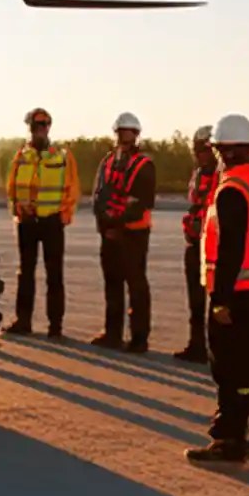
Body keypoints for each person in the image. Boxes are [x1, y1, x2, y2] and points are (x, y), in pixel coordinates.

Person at [185, 113, 249, 466]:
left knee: (229, 370)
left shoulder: (232, 189)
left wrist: (221, 299)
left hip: (237, 292)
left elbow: (231, 249)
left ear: (221, 151)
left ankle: (230, 439)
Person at [4, 107, 81, 338]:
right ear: (30, 128)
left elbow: (73, 188)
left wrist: (64, 215)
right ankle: (23, 320)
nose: (41, 130)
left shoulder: (62, 156)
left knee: (54, 274)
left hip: (52, 223)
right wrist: (17, 210)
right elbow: (12, 188)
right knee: (25, 273)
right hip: (27, 222)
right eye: (37, 126)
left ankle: (55, 326)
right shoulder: (20, 156)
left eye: (45, 126)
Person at [91, 111, 155, 353]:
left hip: (134, 234)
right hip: (109, 233)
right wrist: (105, 226)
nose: (123, 137)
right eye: (120, 132)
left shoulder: (145, 165)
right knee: (112, 284)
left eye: (128, 133)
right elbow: (99, 196)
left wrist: (117, 225)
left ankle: (139, 338)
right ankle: (112, 333)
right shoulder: (107, 162)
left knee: (136, 285)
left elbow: (142, 202)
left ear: (136, 135)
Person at [174, 125, 219, 364]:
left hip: (214, 245)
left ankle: (217, 349)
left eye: (205, 149)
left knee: (217, 302)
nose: (201, 153)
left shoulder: (224, 175)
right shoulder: (198, 173)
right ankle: (197, 344)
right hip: (195, 242)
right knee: (196, 301)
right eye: (198, 149)